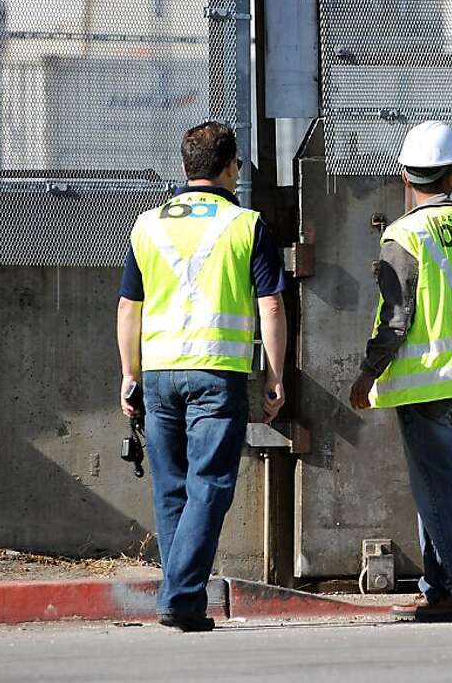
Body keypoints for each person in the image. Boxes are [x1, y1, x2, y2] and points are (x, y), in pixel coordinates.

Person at [116, 122, 287, 632]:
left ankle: (183, 599)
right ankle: (181, 594)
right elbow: (271, 306)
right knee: (210, 485)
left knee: (172, 489)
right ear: (231, 166)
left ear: (185, 166)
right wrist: (275, 376)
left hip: (161, 373)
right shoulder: (245, 225)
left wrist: (130, 375)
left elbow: (129, 307)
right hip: (216, 371)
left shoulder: (146, 225)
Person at [349, 121, 452, 623]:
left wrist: (369, 373)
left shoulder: (403, 233)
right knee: (443, 487)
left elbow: (396, 316)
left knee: (437, 488)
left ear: (405, 178)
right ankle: (438, 587)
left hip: (424, 382)